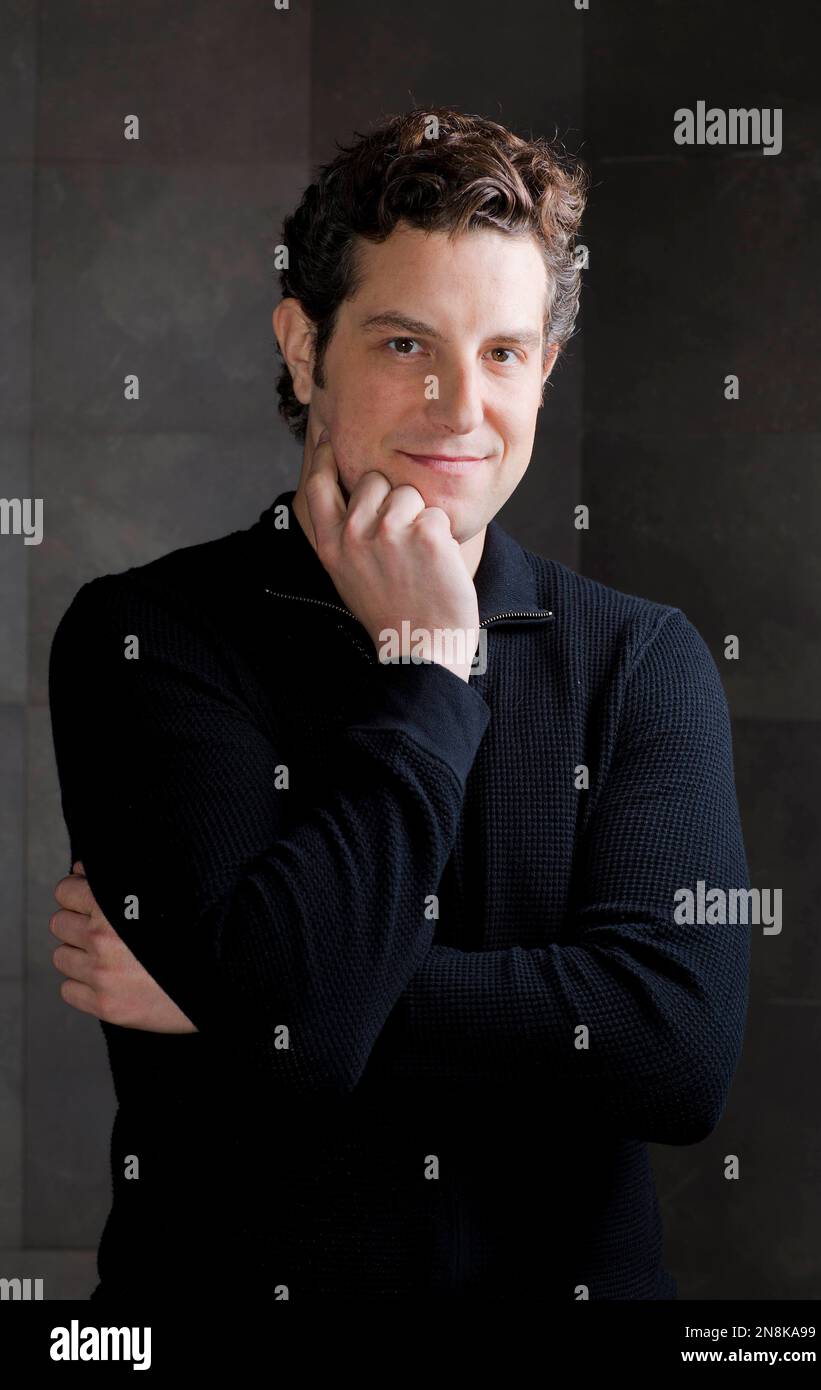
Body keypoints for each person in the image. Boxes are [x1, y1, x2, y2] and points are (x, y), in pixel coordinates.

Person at [47, 106, 750, 1301]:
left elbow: (672, 1053)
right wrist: (427, 666)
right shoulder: (146, 639)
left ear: (544, 367)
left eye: (501, 353)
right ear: (303, 344)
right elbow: (289, 1027)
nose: (458, 406)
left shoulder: (641, 659)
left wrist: (235, 987)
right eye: (403, 345)